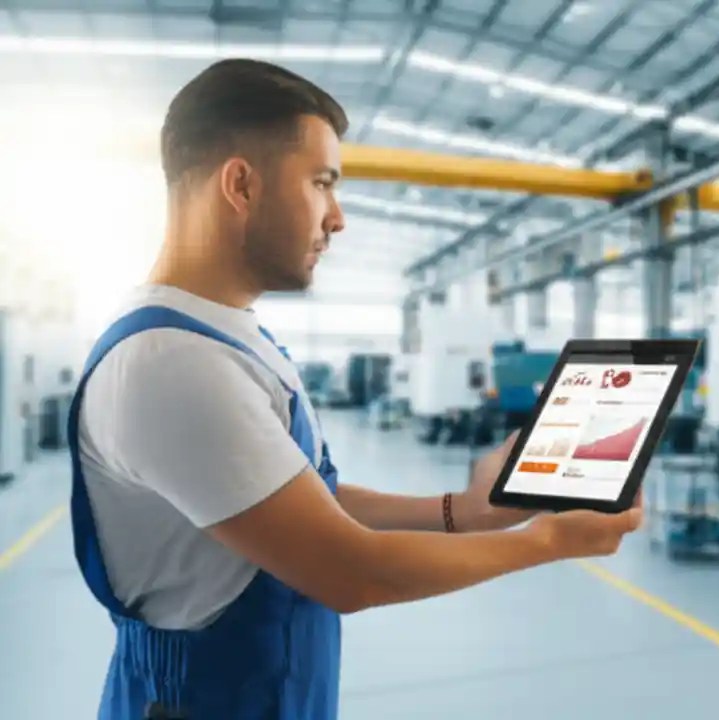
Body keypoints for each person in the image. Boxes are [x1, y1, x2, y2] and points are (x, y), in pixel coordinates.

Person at [68, 58, 643, 719]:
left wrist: (463, 510)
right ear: (241, 184)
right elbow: (351, 571)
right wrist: (553, 540)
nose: (337, 218)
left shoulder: (230, 336)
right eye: (321, 183)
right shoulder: (171, 362)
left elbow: (296, 499)